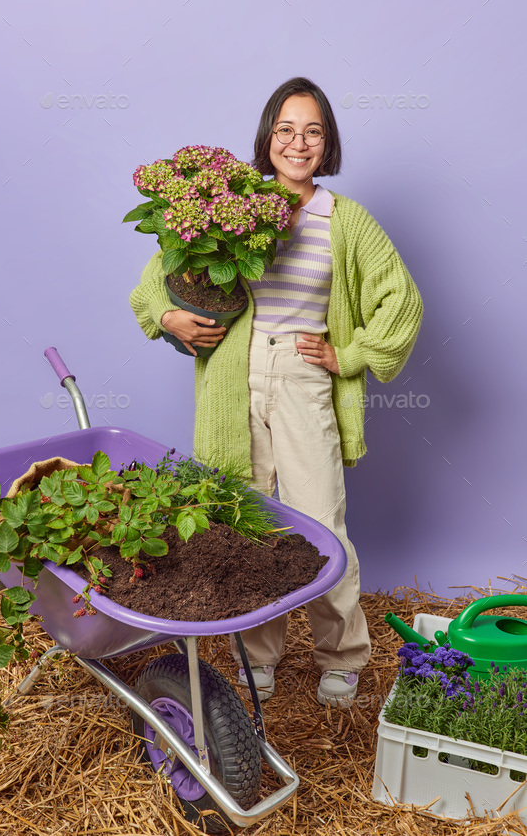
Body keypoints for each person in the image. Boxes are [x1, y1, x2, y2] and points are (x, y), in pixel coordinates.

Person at [130, 76, 423, 706]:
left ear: (328, 143)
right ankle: (254, 657)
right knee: (246, 523)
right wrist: (168, 317)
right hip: (232, 381)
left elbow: (400, 300)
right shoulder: (230, 206)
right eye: (286, 129)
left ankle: (341, 658)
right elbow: (155, 280)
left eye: (313, 131)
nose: (299, 142)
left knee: (322, 525)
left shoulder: (343, 221)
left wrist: (349, 355)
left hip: (302, 377)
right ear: (267, 137)